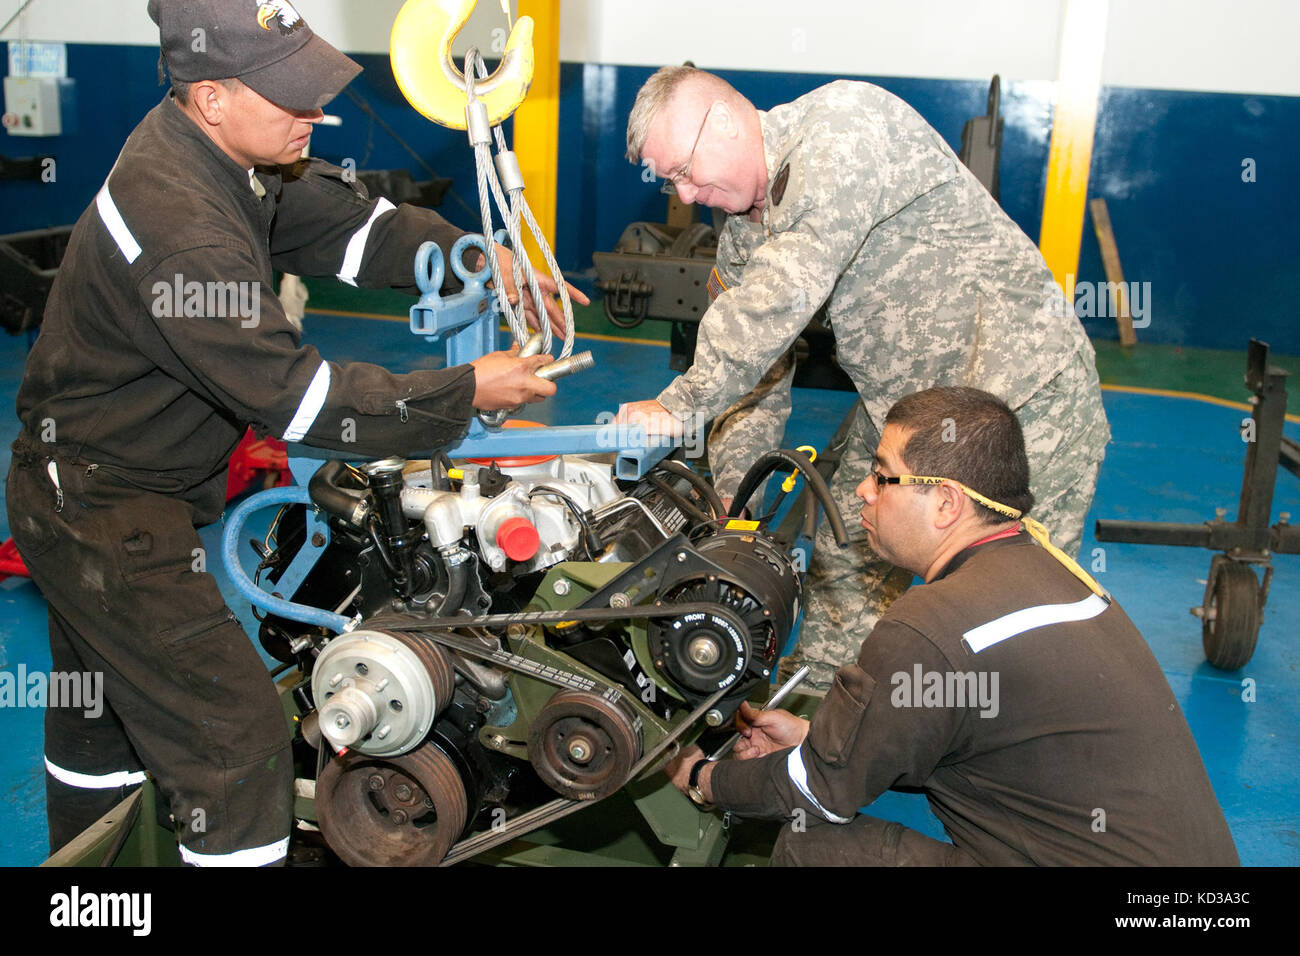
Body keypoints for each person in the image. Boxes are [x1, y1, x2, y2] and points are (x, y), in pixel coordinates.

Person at [4, 0, 585, 866]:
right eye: (292, 98)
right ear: (210, 97)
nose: (319, 115)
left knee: (101, 714)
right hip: (100, 504)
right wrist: (464, 390)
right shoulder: (181, 231)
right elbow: (302, 401)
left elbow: (351, 226)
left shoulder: (228, 157)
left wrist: (472, 254)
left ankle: (92, 894)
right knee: (233, 742)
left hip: (98, 482)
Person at [616, 67, 1110, 692]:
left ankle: (1035, 754)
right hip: (907, 413)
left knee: (1025, 597)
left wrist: (677, 404)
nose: (684, 196)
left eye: (683, 170)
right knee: (848, 552)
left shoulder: (841, 128)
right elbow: (756, 384)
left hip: (1027, 397)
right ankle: (819, 715)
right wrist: (736, 516)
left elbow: (776, 299)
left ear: (721, 120)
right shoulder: (742, 236)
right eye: (670, 182)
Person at [667, 387, 1238, 866]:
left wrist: (701, 777)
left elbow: (820, 794)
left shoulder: (930, 625)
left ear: (945, 504)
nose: (864, 491)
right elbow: (973, 727)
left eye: (883, 476)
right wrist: (823, 741)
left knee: (812, 846)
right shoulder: (1052, 570)